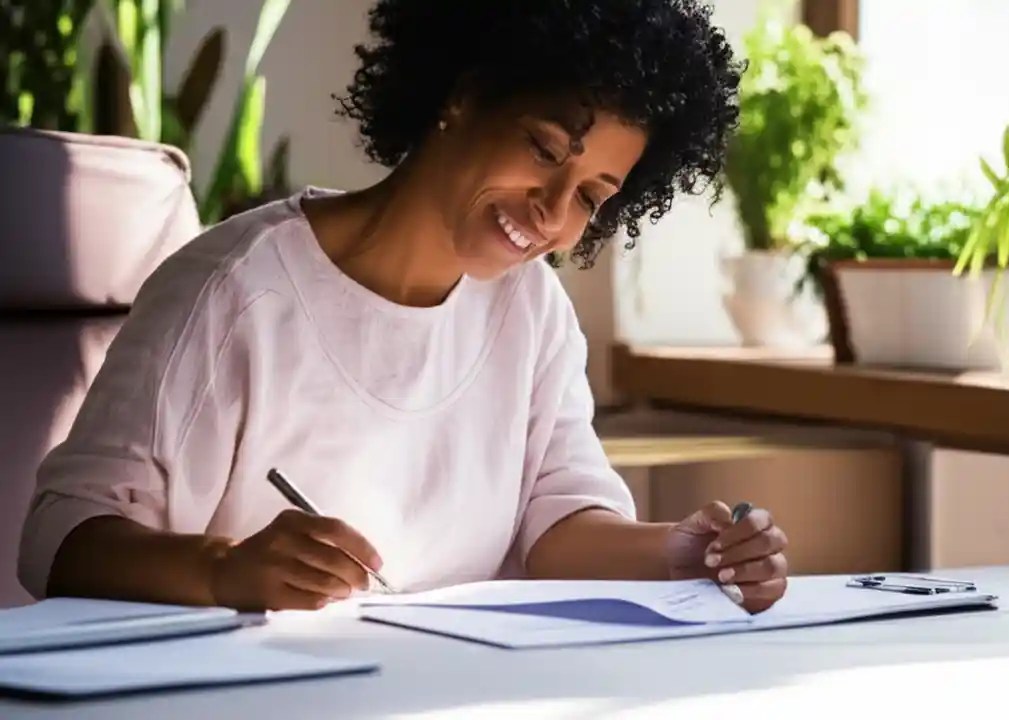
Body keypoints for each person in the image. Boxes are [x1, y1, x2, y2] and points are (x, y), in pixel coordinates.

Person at [17, 0, 791, 613]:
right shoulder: (231, 290)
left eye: (592, 194)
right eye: (545, 151)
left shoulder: (533, 312)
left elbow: (557, 525)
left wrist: (681, 554)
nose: (555, 211)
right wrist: (224, 570)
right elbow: (58, 537)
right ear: (463, 94)